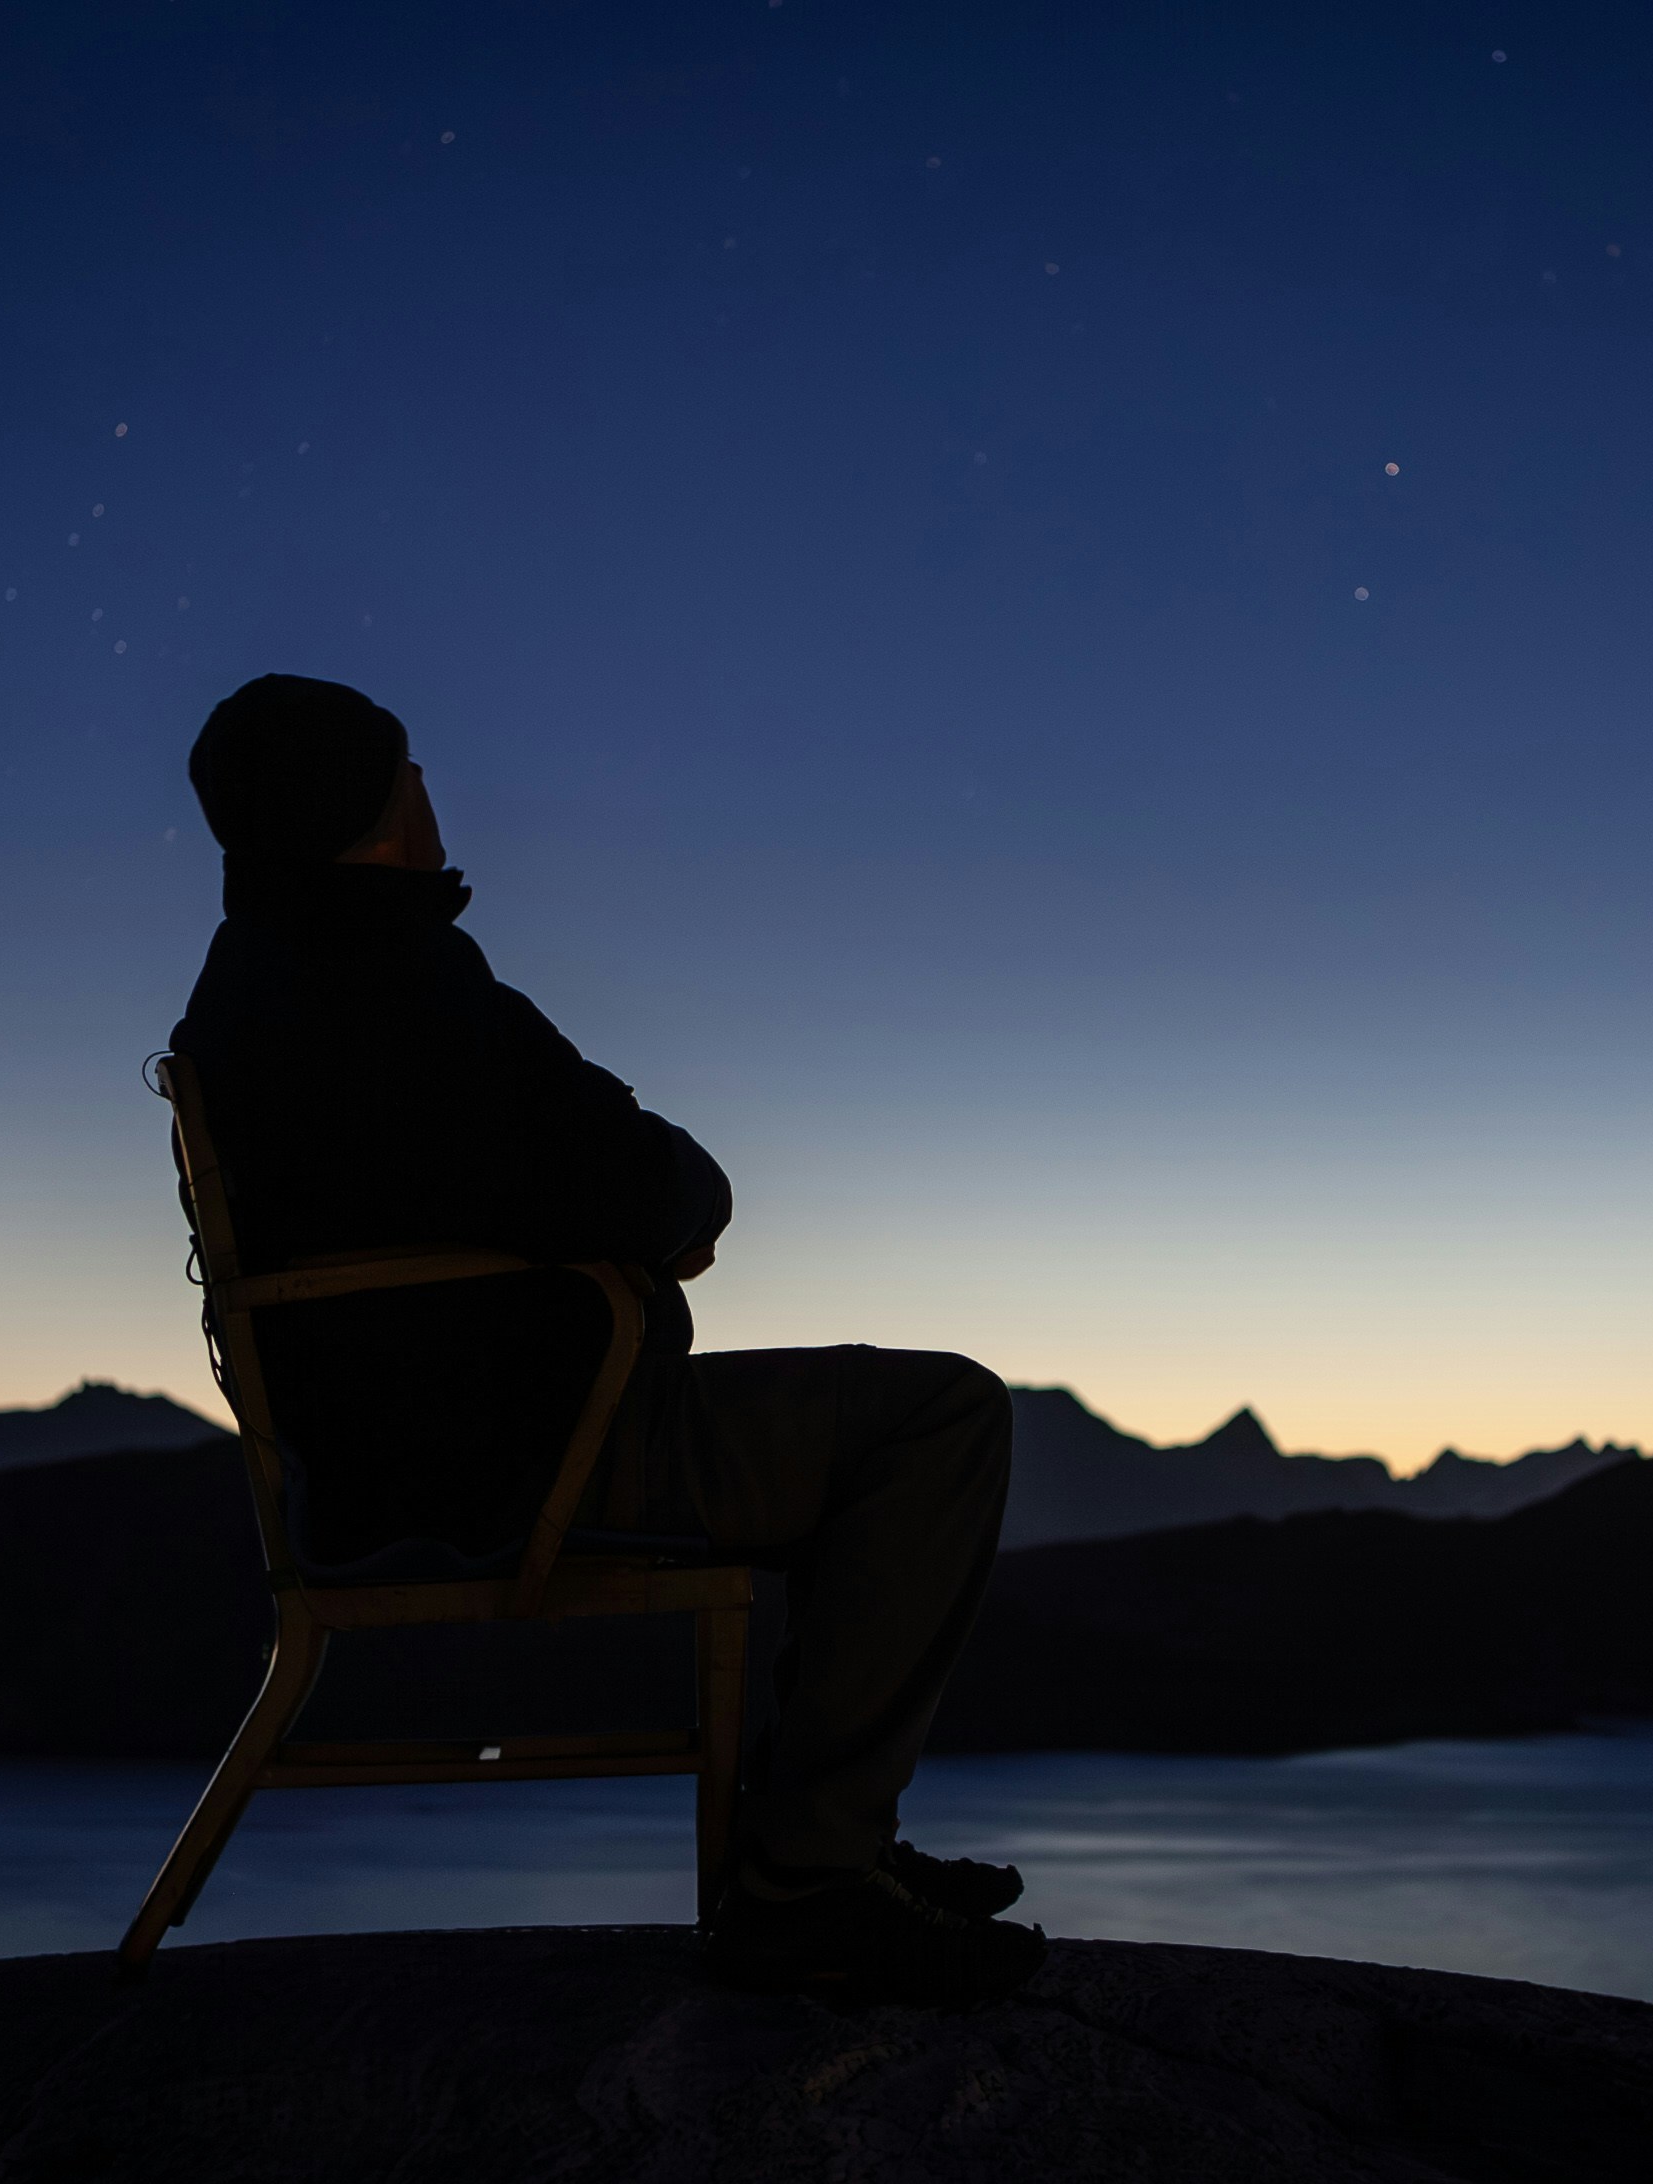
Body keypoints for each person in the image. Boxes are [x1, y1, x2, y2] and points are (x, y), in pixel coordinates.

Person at [169, 673, 1044, 2006]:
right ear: (376, 801)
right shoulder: (395, 985)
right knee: (942, 1418)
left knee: (890, 1418)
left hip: (393, 1451)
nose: (430, 793)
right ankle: (811, 1874)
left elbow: (560, 1169)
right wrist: (661, 1210)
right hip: (543, 1448)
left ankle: (828, 1851)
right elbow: (645, 1185)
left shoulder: (256, 989)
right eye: (411, 772)